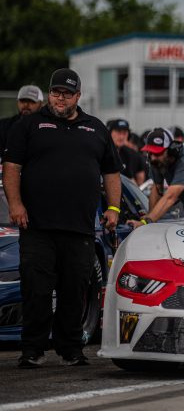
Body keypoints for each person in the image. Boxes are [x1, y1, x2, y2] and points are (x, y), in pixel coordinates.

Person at [2, 69, 122, 368]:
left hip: (80, 227)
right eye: (55, 92)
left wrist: (114, 208)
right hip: (37, 225)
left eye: (66, 93)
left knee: (75, 289)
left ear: (77, 96)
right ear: (49, 94)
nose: (60, 98)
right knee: (36, 289)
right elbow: (12, 167)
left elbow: (111, 172)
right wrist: (15, 205)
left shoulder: (95, 129)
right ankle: (33, 349)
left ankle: (71, 348)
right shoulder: (29, 125)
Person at [0, 85, 44, 162]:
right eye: (23, 101)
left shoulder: (47, 126)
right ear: (17, 102)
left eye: (31, 101)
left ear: (41, 104)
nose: (26, 105)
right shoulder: (4, 125)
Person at [107, 118, 146, 185]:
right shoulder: (102, 150)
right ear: (110, 133)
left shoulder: (129, 153)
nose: (122, 137)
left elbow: (130, 179)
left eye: (124, 133)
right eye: (118, 132)